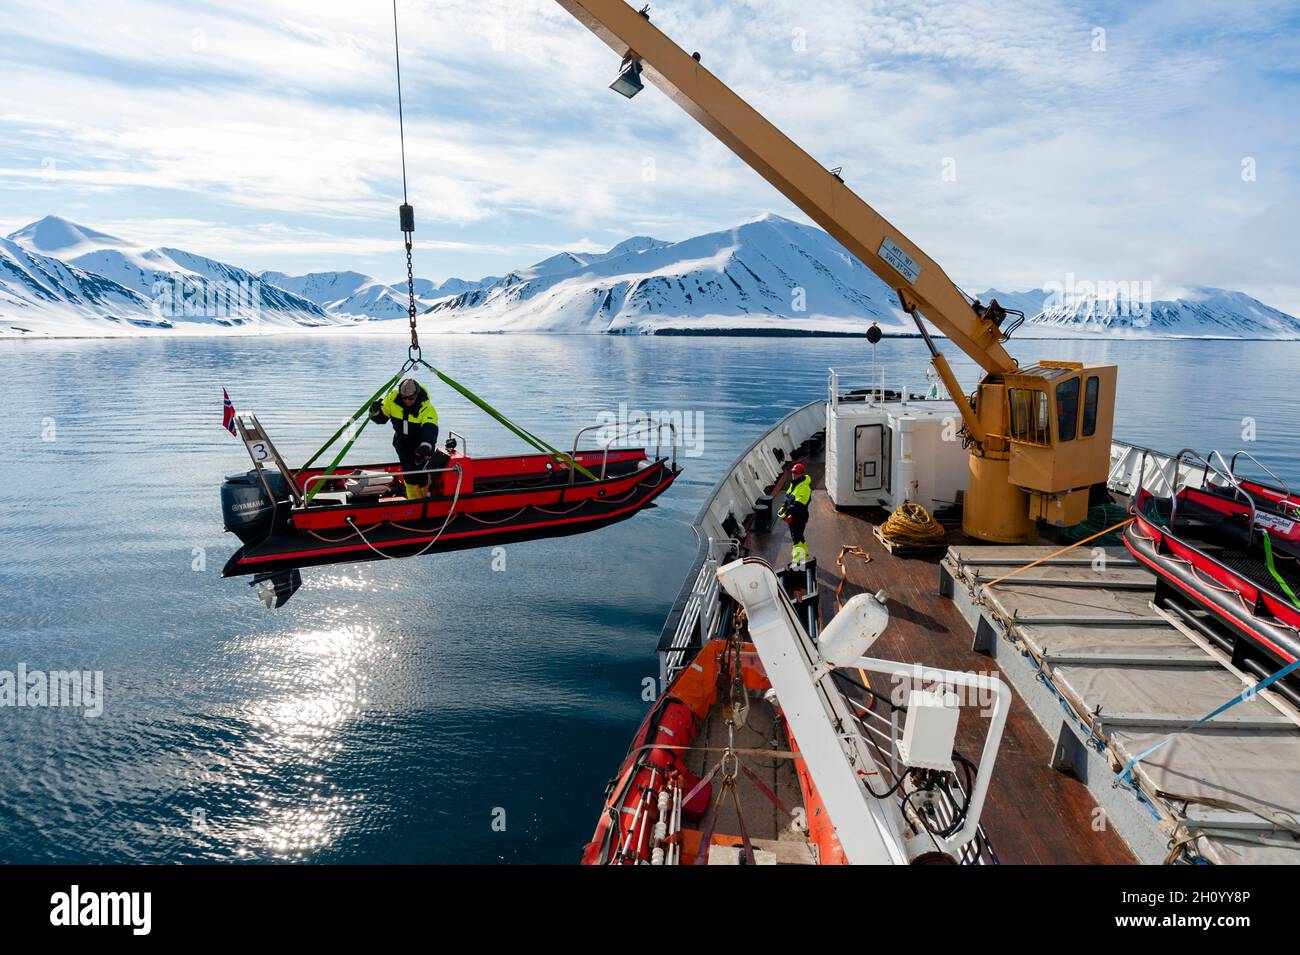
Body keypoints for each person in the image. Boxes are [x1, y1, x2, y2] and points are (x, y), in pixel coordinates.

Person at [370, 378, 441, 499]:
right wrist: (375, 412)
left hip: (421, 445)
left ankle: (425, 500)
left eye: (411, 398)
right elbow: (381, 420)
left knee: (422, 474)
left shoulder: (427, 408)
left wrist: (426, 445)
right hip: (402, 443)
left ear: (416, 395)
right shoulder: (391, 400)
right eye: (404, 398)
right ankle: (413, 501)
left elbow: (430, 429)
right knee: (409, 473)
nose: (407, 401)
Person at [780, 462, 813, 565]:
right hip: (793, 516)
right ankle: (805, 554)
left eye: (795, 472)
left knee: (796, 538)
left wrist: (787, 512)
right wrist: (783, 507)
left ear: (801, 474)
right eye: (792, 472)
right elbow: (788, 497)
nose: (793, 474)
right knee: (799, 536)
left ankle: (797, 561)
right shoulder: (794, 484)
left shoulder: (804, 488)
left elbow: (799, 504)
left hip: (800, 516)